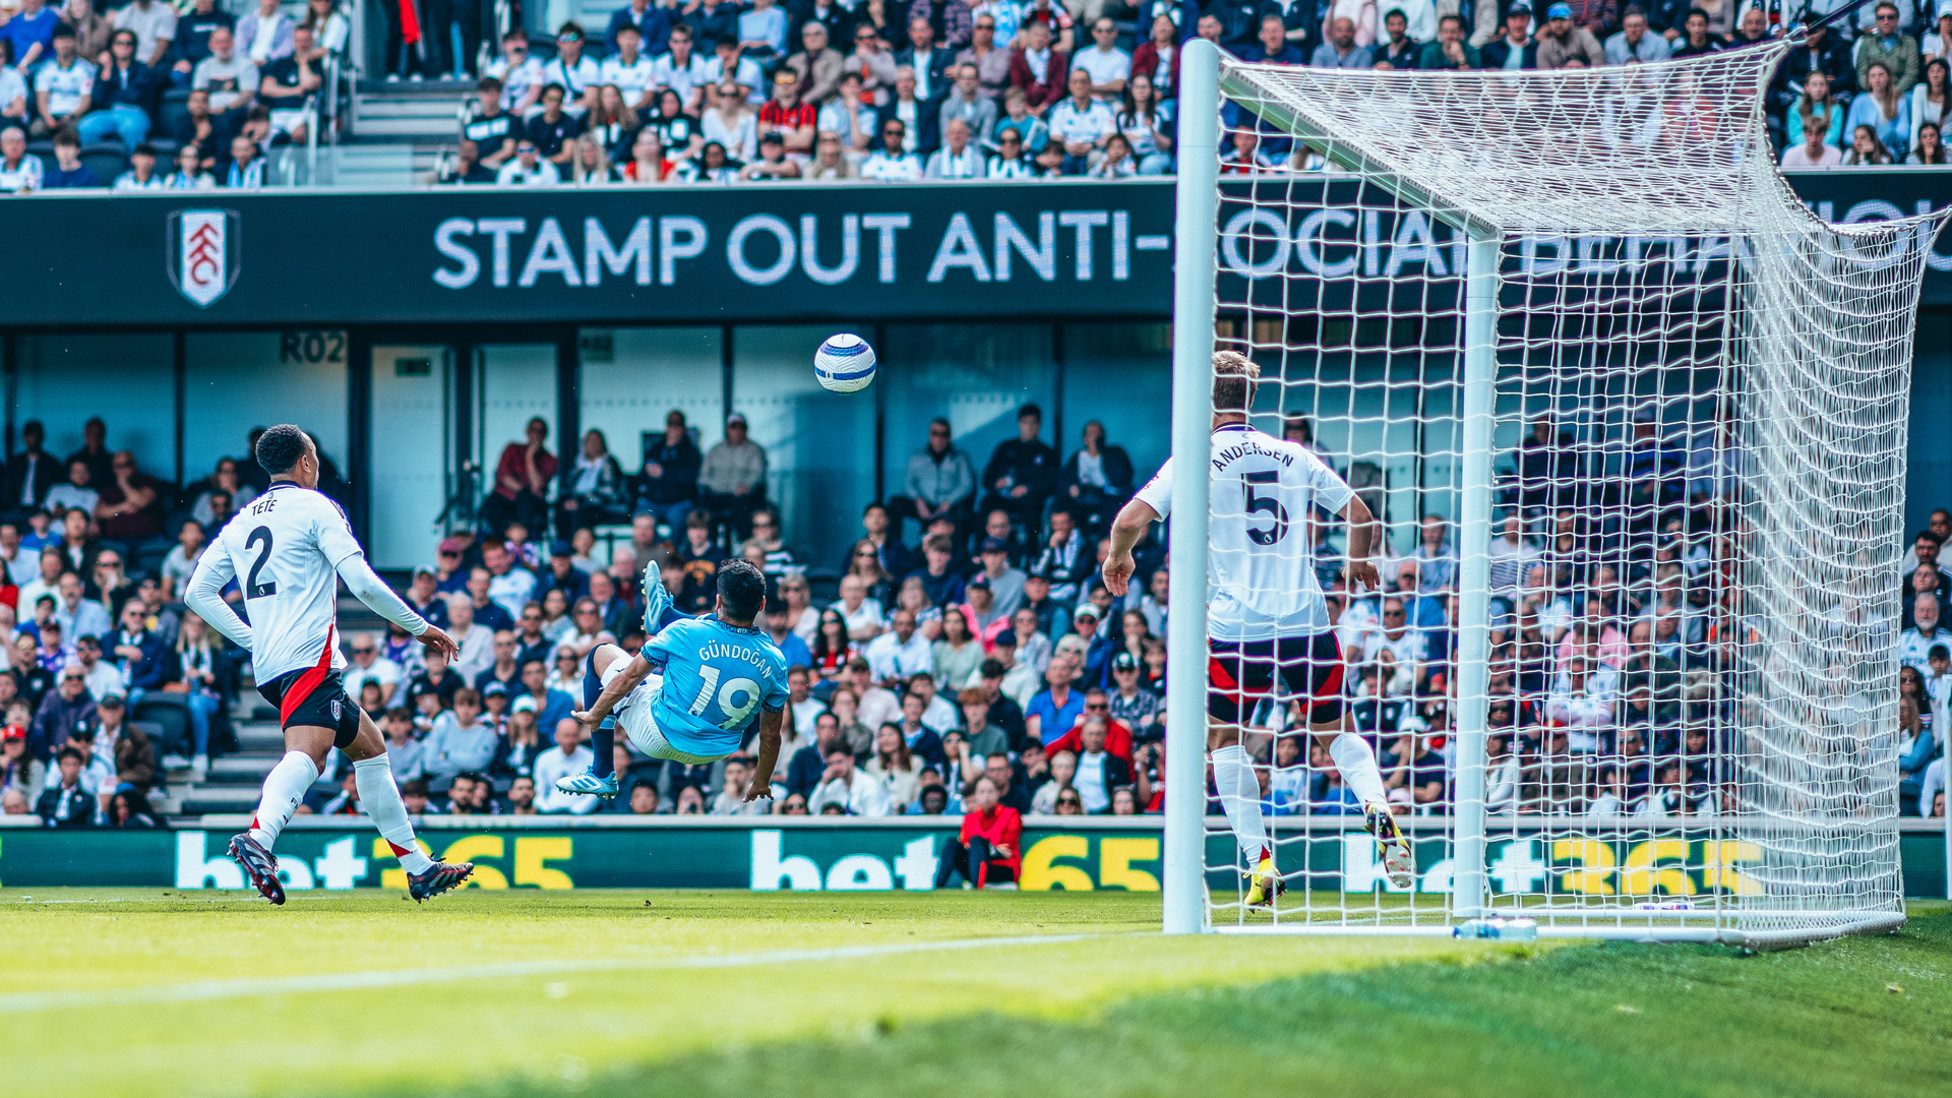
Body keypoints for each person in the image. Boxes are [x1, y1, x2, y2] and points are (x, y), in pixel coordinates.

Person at [1104, 350, 1412, 905]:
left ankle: (1261, 864)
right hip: (1305, 618)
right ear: (1252, 398)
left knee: (1222, 739)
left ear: (1205, 397)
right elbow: (1361, 514)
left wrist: (1117, 557)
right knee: (1337, 729)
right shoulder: (1292, 454)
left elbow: (1130, 519)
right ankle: (1378, 805)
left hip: (1238, 625)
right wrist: (1358, 563)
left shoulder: (1196, 457)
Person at [183, 424, 472, 906]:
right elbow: (361, 581)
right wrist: (420, 627)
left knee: (372, 750)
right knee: (310, 756)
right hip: (308, 657)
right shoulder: (318, 507)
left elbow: (197, 593)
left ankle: (418, 869)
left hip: (274, 664)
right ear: (306, 462)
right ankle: (258, 836)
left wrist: (253, 640)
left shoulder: (241, 520)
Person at [557, 559, 788, 807]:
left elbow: (630, 678)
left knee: (599, 655)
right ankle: (664, 615)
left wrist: (596, 714)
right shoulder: (775, 661)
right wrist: (762, 780)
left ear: (719, 601)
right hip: (717, 750)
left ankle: (602, 772)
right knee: (672, 675)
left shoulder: (685, 632)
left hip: (660, 735)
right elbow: (771, 734)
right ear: (762, 604)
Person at [934, 773, 1022, 886]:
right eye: (982, 792)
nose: (986, 796)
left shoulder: (1011, 814)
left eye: (990, 791)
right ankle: (937, 887)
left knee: (976, 841)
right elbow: (965, 845)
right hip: (975, 866)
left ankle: (977, 888)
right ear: (975, 795)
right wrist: (986, 848)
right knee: (952, 843)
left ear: (997, 793)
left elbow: (1007, 850)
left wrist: (980, 847)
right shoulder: (970, 818)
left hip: (1002, 868)